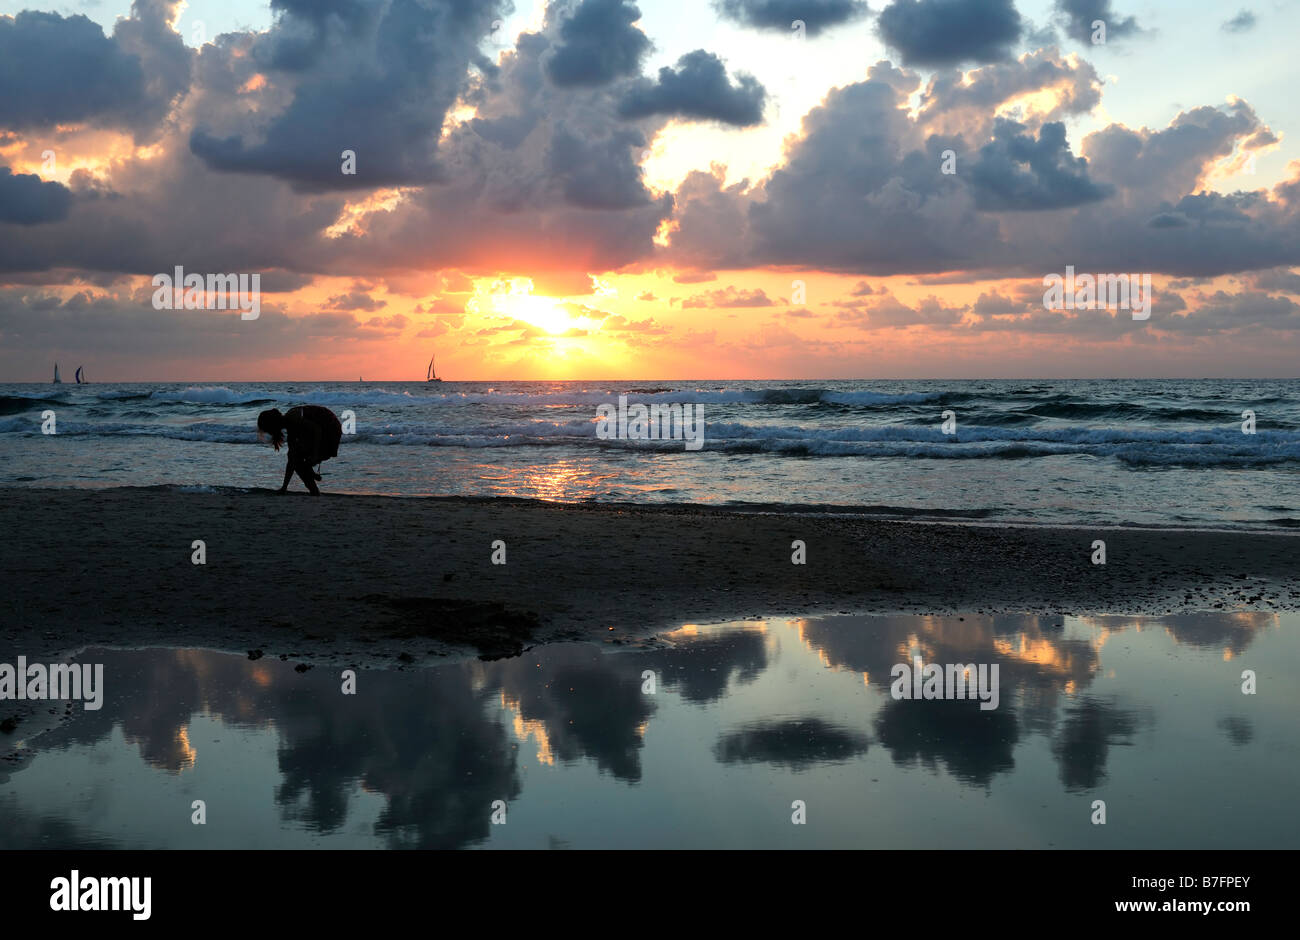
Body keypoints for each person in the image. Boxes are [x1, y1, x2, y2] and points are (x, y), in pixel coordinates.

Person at [257, 405, 343, 495]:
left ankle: (314, 489)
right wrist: (284, 487)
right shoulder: (290, 425)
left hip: (330, 430)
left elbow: (316, 430)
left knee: (297, 460)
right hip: (326, 430)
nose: (269, 433)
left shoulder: (293, 419)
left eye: (267, 429)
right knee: (295, 457)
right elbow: (291, 460)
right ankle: (312, 482)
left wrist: (314, 454)